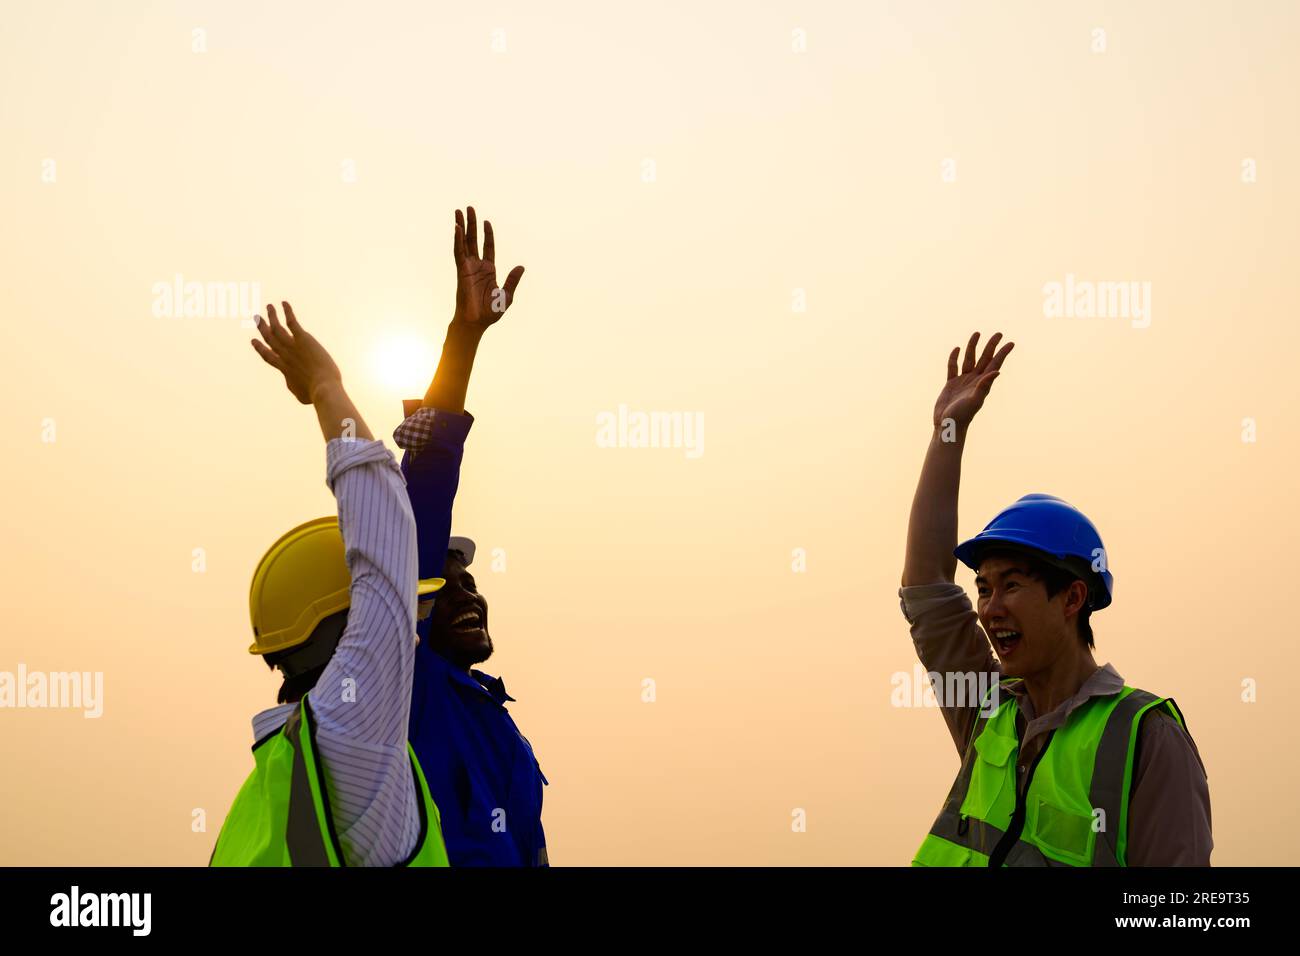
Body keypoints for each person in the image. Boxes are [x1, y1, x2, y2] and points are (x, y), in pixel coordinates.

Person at [901, 331, 1212, 866]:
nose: (989, 607)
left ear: (1072, 599)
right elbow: (927, 586)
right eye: (983, 587)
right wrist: (947, 433)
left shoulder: (1145, 736)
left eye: (1012, 586)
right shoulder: (988, 707)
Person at [210, 301, 450, 867]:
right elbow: (387, 546)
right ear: (339, 629)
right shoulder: (352, 732)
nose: (411, 637)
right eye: (402, 622)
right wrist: (326, 388)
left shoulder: (266, 789)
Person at [391, 206, 550, 866]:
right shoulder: (409, 690)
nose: (467, 596)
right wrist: (464, 336)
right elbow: (425, 483)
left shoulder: (496, 722)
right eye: (444, 586)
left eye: (471, 583)